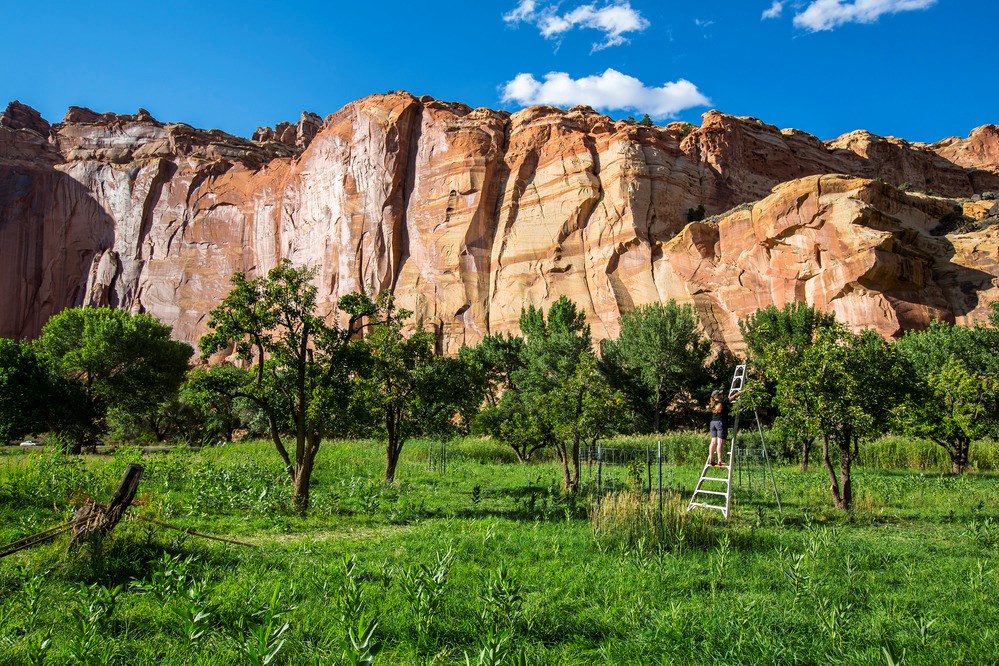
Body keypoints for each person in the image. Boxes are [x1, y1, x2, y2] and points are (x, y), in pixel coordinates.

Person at [708, 388, 739, 467]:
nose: (722, 394)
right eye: (720, 394)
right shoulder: (722, 402)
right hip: (720, 423)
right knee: (720, 442)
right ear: (717, 396)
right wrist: (743, 392)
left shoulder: (713, 403)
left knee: (713, 442)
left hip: (713, 423)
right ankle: (720, 460)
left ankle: (711, 459)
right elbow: (734, 396)